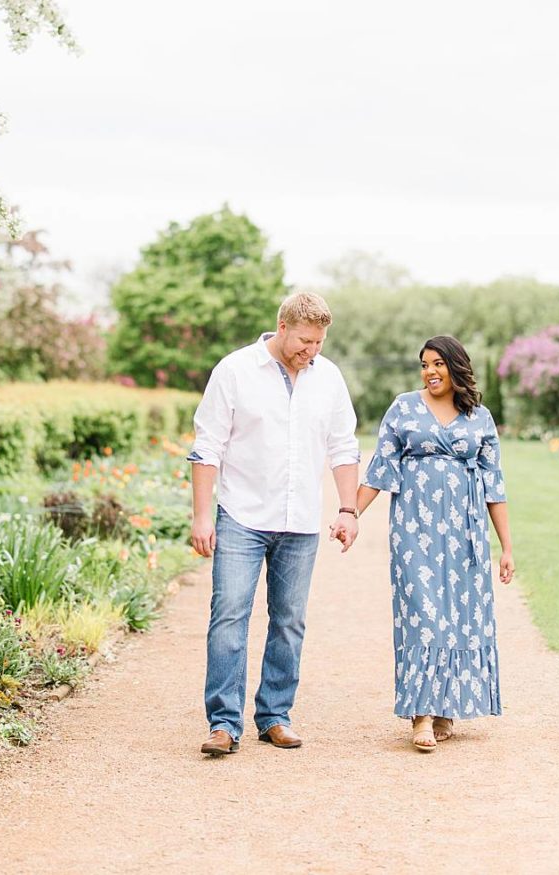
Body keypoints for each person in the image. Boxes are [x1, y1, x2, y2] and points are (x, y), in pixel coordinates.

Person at [187, 292, 360, 756]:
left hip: (300, 519)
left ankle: (275, 715)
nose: (312, 350)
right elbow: (208, 447)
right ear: (281, 327)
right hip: (242, 514)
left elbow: (344, 447)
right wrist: (202, 516)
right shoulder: (235, 370)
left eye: (320, 342)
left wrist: (348, 509)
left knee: (289, 621)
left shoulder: (329, 379)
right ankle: (224, 723)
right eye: (305, 341)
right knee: (229, 618)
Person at [352, 335, 514, 752]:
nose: (430, 372)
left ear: (456, 367)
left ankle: (447, 707)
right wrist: (350, 513)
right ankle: (420, 713)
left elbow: (494, 485)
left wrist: (506, 548)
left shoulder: (479, 417)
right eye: (424, 364)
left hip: (465, 532)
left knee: (460, 615)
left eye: (438, 363)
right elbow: (380, 467)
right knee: (421, 614)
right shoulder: (403, 407)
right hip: (414, 532)